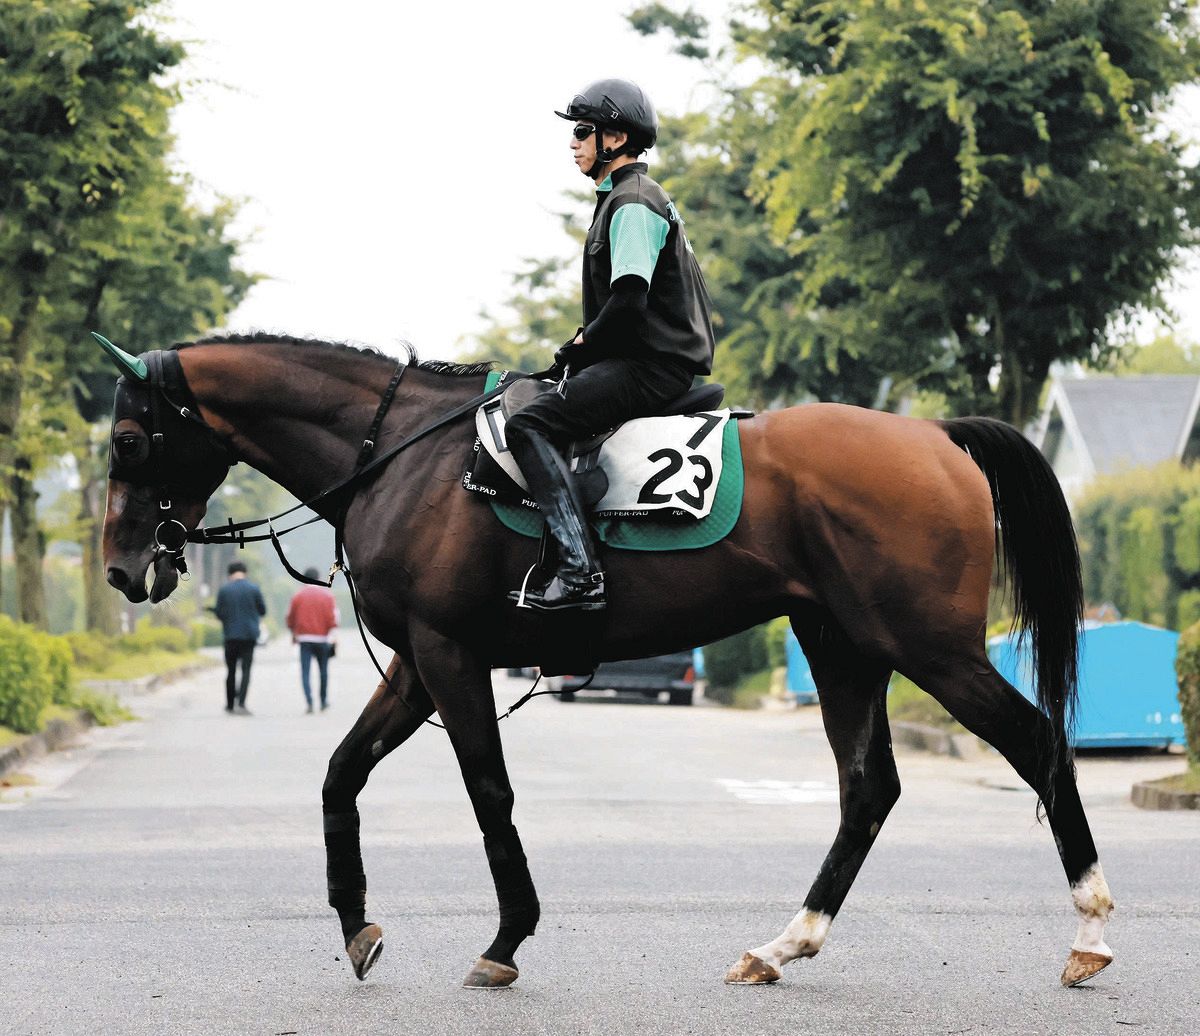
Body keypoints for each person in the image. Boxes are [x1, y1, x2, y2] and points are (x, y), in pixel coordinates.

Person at [505, 78, 716, 613]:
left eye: (583, 132)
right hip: (641, 360)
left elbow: (628, 303)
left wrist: (581, 346)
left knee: (528, 423)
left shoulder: (634, 204)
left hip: (649, 367)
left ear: (616, 138)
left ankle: (579, 572)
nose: (573, 143)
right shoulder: (624, 200)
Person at [212, 561, 266, 715]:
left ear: (230, 573)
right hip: (249, 636)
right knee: (246, 670)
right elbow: (262, 611)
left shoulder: (224, 590)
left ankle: (229, 705)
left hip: (230, 636)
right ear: (245, 572)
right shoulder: (254, 589)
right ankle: (241, 703)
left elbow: (219, 613)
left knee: (231, 671)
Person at [286, 569, 340, 713]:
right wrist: (333, 636)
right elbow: (333, 618)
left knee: (305, 671)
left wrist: (293, 632)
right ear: (319, 578)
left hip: (304, 639)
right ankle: (323, 701)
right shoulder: (327, 596)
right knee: (323, 671)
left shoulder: (298, 596)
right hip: (323, 638)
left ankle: (309, 702)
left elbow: (290, 617)